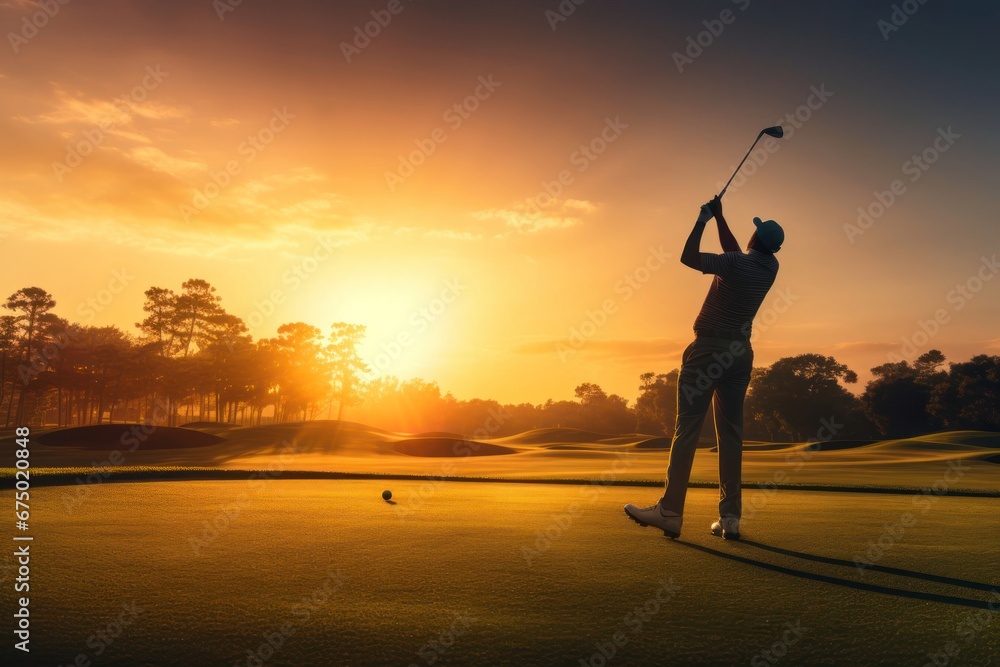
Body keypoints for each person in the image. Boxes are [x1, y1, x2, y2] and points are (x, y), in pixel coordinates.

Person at [624, 196, 784, 540]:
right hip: (740, 355)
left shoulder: (735, 263)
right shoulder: (769, 267)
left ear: (755, 239)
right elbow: (735, 253)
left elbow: (688, 257)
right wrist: (720, 218)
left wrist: (702, 219)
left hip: (708, 350)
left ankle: (669, 512)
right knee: (731, 435)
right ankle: (730, 518)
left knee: (687, 428)